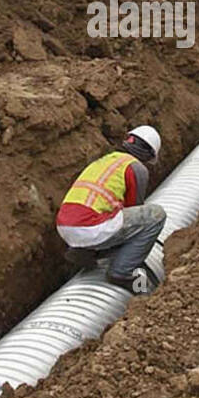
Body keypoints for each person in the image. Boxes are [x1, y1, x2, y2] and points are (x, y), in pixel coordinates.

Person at [56, 125, 166, 292]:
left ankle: (85, 250)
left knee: (109, 215)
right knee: (155, 216)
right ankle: (121, 272)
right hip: (91, 227)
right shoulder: (135, 167)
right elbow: (133, 209)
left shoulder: (104, 160)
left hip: (65, 226)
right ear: (148, 153)